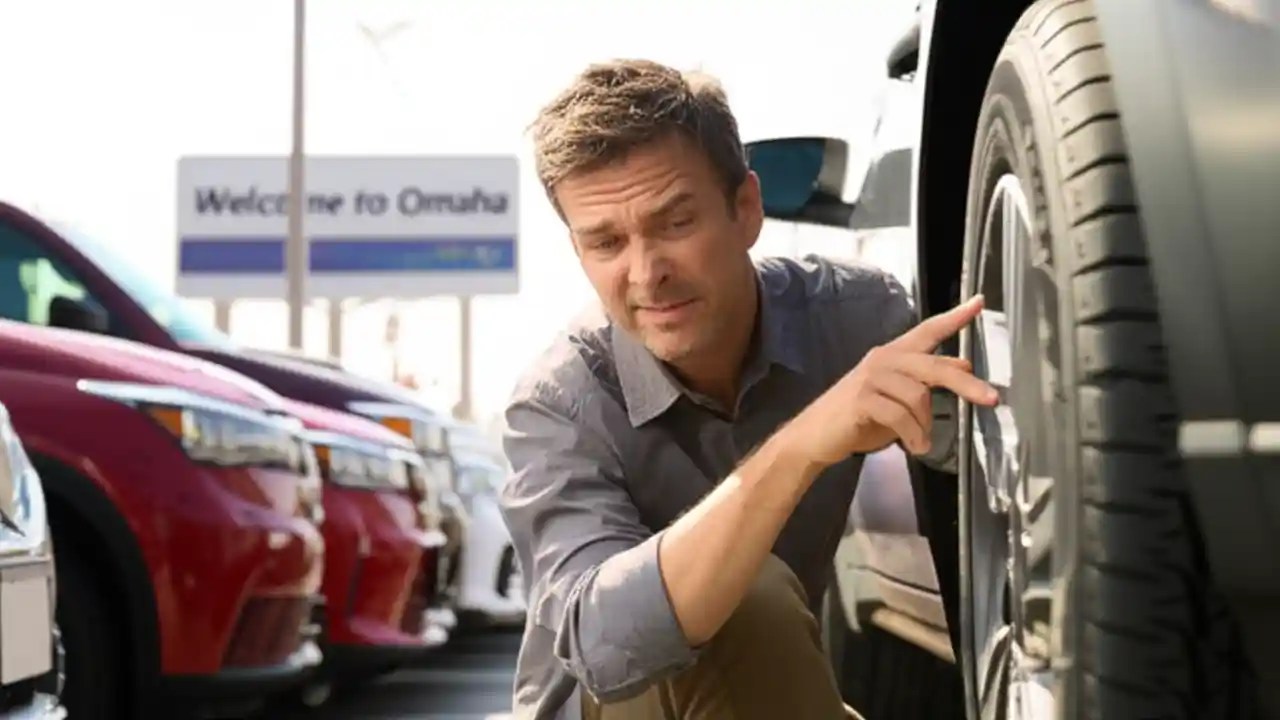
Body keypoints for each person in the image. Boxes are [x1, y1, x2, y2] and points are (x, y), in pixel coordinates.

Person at [499, 58, 999, 720]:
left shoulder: (859, 323)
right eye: (607, 243)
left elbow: (1003, 431)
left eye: (676, 223)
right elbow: (604, 646)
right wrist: (800, 449)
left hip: (751, 696)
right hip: (613, 706)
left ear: (746, 210)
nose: (647, 274)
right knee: (731, 594)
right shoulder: (556, 404)